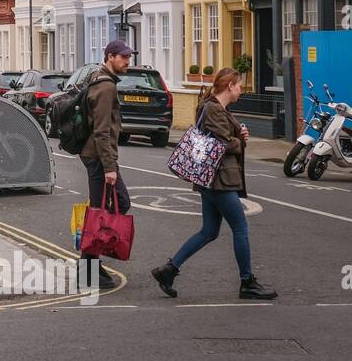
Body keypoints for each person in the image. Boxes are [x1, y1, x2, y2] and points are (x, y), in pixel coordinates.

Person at [151, 68, 277, 300]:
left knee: (209, 231)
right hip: (219, 179)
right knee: (240, 228)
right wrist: (239, 139)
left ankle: (169, 270)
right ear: (229, 86)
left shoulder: (217, 109)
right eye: (239, 85)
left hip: (212, 179)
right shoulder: (212, 109)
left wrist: (240, 135)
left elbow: (226, 138)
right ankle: (247, 282)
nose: (241, 90)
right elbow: (224, 144)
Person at [79, 39, 134, 291]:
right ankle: (89, 267)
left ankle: (90, 266)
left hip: (97, 156)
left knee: (101, 210)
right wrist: (110, 166)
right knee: (111, 206)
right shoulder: (106, 87)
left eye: (128, 57)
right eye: (123, 57)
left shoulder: (99, 78)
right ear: (110, 56)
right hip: (99, 157)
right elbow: (102, 131)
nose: (127, 62)